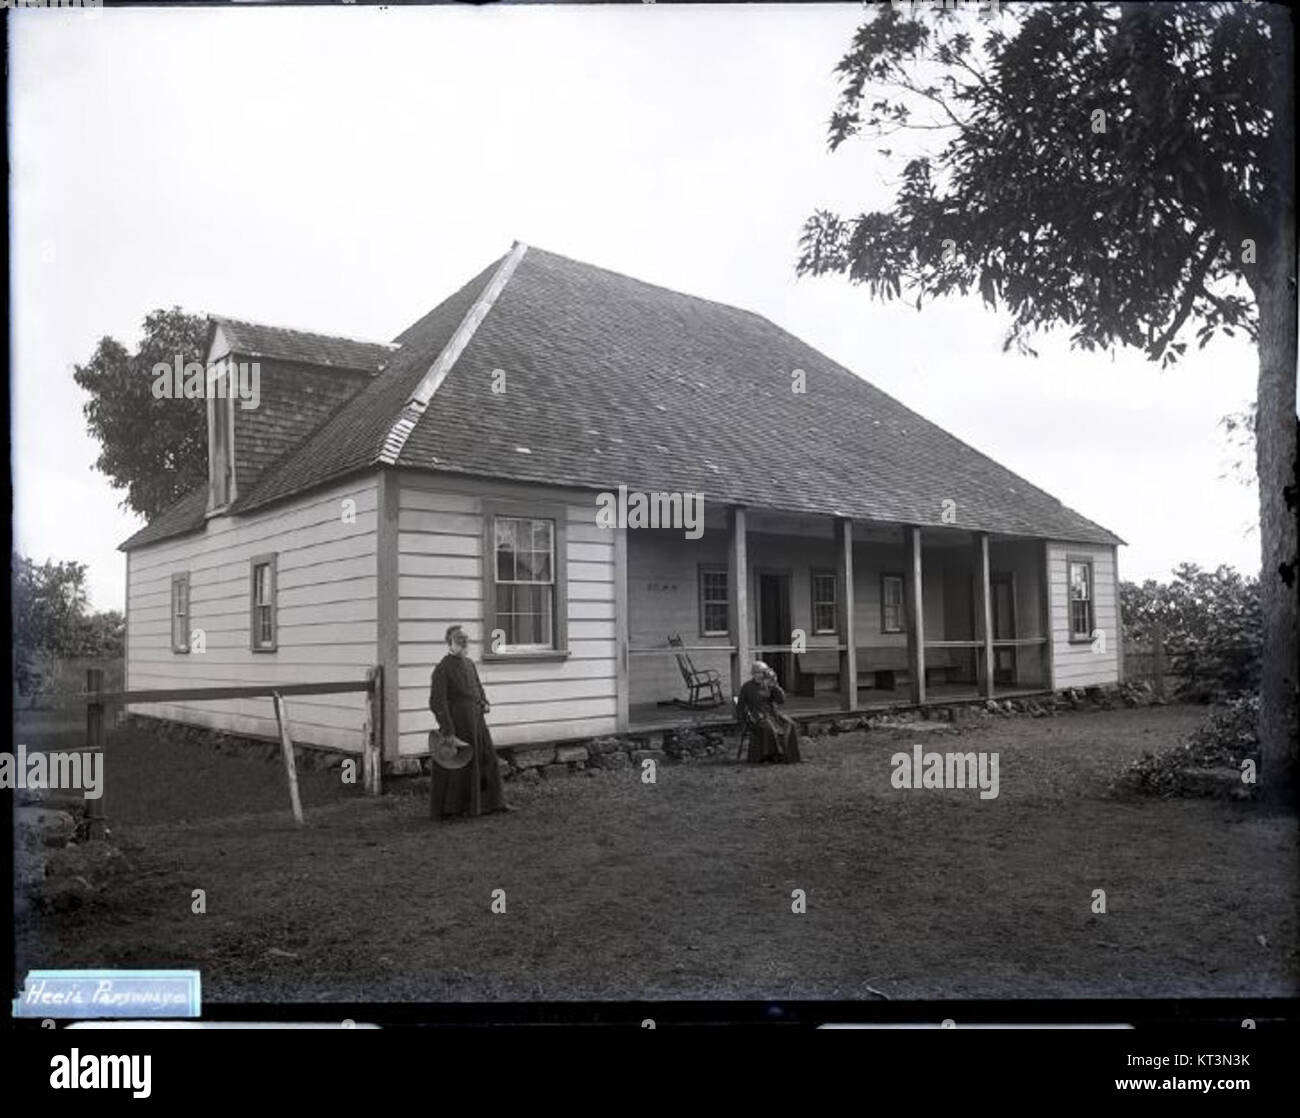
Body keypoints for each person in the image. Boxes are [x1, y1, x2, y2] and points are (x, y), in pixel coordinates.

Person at [428, 625, 514, 819]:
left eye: (465, 641)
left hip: (477, 719)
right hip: (458, 723)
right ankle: (459, 808)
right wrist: (448, 729)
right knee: (462, 763)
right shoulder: (442, 669)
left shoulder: (469, 664)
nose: (464, 645)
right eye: (459, 641)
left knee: (487, 758)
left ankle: (494, 802)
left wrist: (484, 701)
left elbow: (477, 687)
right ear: (449, 643)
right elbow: (437, 702)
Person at [736, 661, 802, 764]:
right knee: (768, 727)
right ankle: (771, 756)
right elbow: (741, 706)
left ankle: (790, 756)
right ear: (753, 673)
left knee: (789, 724)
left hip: (772, 714)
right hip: (756, 715)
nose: (761, 675)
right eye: (759, 672)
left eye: (763, 672)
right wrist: (743, 722)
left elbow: (781, 700)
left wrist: (775, 686)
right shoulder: (747, 687)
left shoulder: (769, 685)